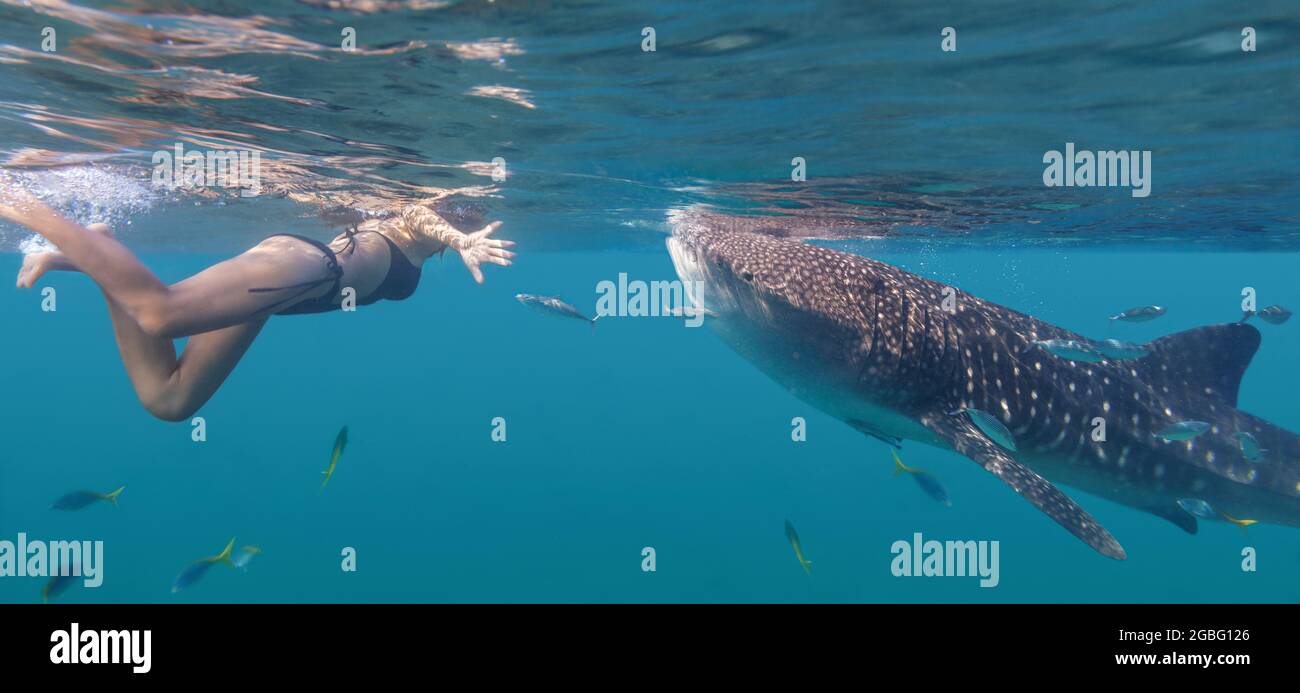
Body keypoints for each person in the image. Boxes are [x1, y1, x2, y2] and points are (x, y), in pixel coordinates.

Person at [2, 191, 514, 421]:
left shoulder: (424, 246)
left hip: (281, 297)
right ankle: (20, 200)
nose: (475, 222)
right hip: (306, 268)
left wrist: (454, 238)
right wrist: (460, 238)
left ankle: (98, 249)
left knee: (169, 401)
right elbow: (417, 212)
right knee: (160, 312)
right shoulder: (422, 221)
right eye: (471, 219)